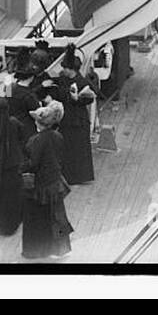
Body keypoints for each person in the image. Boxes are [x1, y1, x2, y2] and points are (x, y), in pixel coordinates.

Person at [21, 100, 74, 259]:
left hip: (40, 186)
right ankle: (58, 250)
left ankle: (36, 250)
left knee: (36, 219)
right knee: (56, 217)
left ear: (39, 123)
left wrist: (20, 167)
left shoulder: (35, 140)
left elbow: (33, 163)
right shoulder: (58, 136)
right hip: (55, 182)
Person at [0, 78, 25, 236]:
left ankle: (0, 226)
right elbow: (23, 137)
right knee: (13, 196)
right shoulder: (14, 122)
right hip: (14, 165)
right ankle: (13, 223)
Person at [56, 54, 96, 185]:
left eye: (65, 68)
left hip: (77, 118)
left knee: (79, 148)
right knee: (67, 147)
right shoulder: (63, 79)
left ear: (71, 69)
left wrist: (77, 99)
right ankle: (68, 175)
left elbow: (90, 98)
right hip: (66, 117)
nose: (63, 70)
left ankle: (79, 176)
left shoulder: (82, 82)